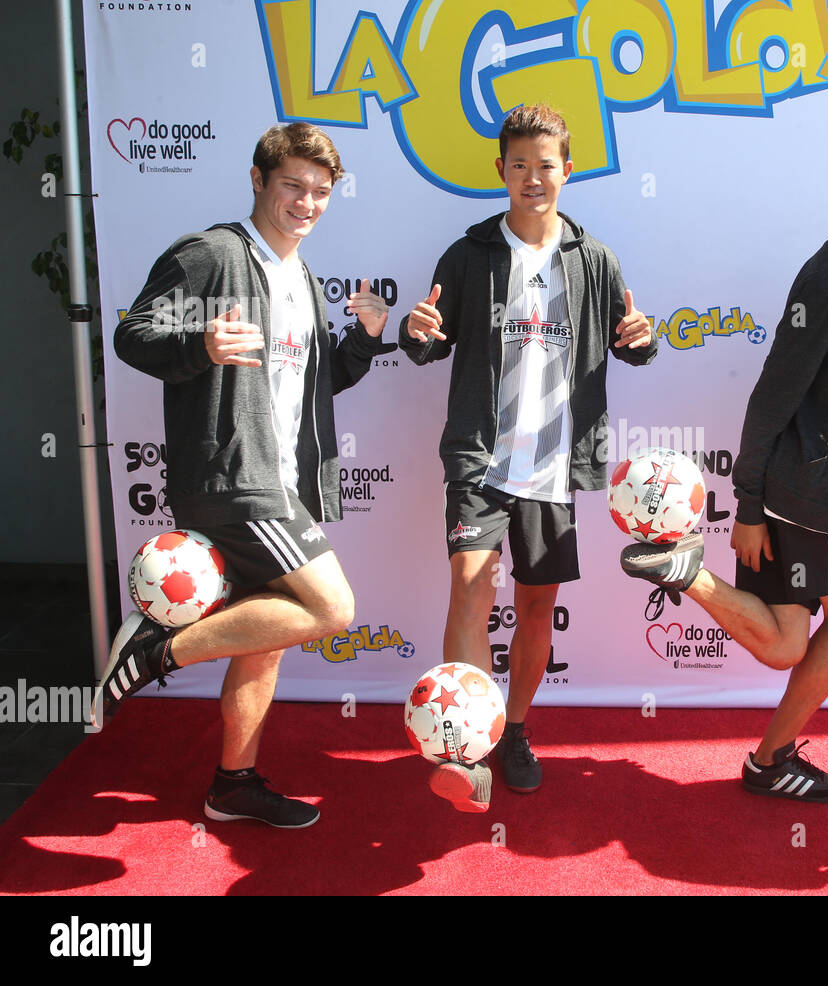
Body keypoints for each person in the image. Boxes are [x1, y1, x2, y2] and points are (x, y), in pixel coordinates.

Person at [622, 130, 828, 801]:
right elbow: (771, 395)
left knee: (786, 640)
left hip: (820, 494)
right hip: (818, 498)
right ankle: (770, 759)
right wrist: (746, 506)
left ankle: (693, 581)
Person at [98, 122, 389, 829]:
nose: (307, 201)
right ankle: (157, 648)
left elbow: (307, 386)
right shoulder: (213, 253)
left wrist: (365, 342)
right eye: (293, 184)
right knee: (332, 609)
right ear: (258, 180)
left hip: (282, 478)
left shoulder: (301, 276)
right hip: (234, 475)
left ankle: (232, 785)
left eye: (321, 191)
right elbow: (132, 334)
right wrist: (200, 343)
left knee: (265, 641)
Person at [400, 104, 656, 812]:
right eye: (520, 165)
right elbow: (429, 340)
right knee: (471, 588)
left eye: (547, 165)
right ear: (501, 171)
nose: (533, 178)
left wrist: (638, 337)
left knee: (537, 603)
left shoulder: (593, 257)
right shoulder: (470, 254)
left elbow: (629, 341)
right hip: (481, 458)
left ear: (567, 170)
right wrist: (414, 330)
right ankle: (466, 747)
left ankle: (512, 730)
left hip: (555, 464)